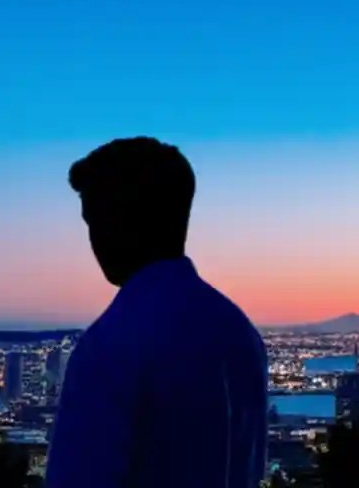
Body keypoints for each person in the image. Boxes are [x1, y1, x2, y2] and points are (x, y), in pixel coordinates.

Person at [45, 137, 267, 487]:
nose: (93, 240)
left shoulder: (111, 345)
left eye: (94, 221)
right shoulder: (238, 331)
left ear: (119, 221)